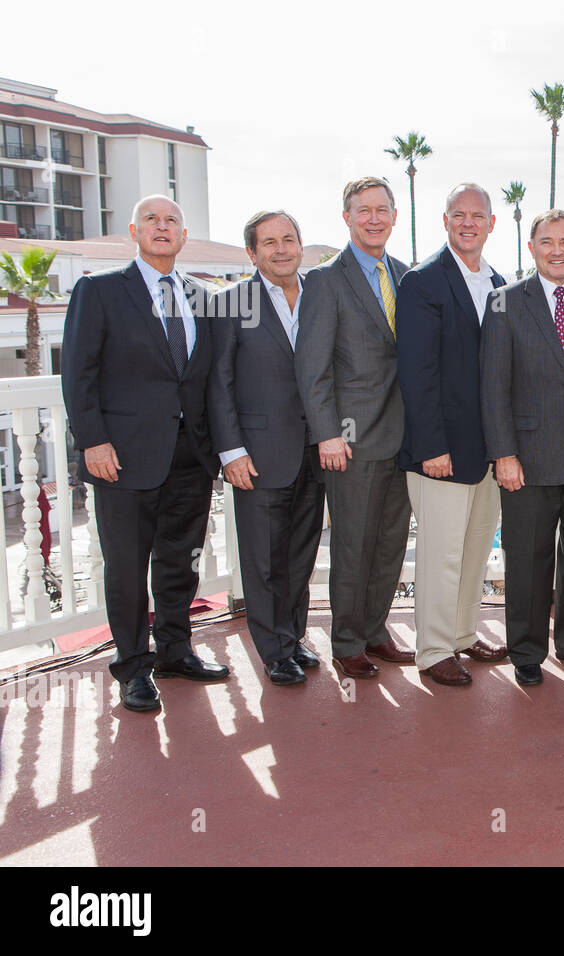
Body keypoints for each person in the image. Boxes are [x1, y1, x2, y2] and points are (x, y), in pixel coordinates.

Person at [61, 194, 225, 712]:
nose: (162, 227)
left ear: (183, 235)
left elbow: (207, 379)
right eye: (151, 219)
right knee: (127, 567)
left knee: (180, 563)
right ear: (133, 231)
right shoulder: (100, 291)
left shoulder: (204, 297)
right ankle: (133, 667)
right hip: (123, 457)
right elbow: (78, 373)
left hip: (190, 458)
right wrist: (92, 440)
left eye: (172, 220)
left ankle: (176, 651)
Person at [480, 210, 564, 686]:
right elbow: (493, 386)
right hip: (528, 459)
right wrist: (504, 454)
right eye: (546, 241)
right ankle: (526, 652)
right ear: (531, 248)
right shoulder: (504, 303)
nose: (556, 249)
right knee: (527, 559)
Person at [295, 177, 415, 678]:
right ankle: (346, 641)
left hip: (404, 437)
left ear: (393, 216)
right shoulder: (325, 280)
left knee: (390, 543)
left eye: (382, 209)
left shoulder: (408, 277)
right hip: (350, 439)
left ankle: (375, 629)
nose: (374, 218)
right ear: (347, 217)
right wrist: (327, 433)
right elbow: (312, 364)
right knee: (352, 543)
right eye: (363, 210)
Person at [396, 184, 509, 687]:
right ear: (445, 221)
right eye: (458, 215)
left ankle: (463, 634)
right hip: (441, 449)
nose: (468, 223)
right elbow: (416, 373)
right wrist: (431, 447)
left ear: (491, 223)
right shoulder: (423, 282)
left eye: (477, 215)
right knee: (440, 554)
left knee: (475, 549)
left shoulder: (501, 282)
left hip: (490, 448)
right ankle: (434, 649)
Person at [208, 210, 325, 686]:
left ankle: (293, 636)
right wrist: (231, 451)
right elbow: (218, 383)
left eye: (289, 239)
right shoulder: (230, 302)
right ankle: (274, 650)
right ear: (252, 252)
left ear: (301, 245)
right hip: (256, 454)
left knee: (300, 552)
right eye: (270, 242)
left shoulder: (320, 295)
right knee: (263, 559)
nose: (282, 249)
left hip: (315, 452)